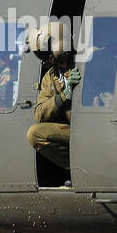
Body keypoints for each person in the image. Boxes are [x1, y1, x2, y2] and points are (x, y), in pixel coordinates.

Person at [25, 23, 80, 171]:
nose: (45, 59)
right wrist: (63, 96)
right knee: (34, 133)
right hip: (74, 131)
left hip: (95, 126)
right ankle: (79, 170)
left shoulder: (88, 60)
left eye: (45, 53)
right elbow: (40, 114)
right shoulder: (50, 77)